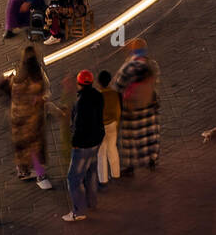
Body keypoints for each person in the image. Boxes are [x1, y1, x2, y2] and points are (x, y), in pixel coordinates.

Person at [6, 46, 54, 189]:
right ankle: (41, 176)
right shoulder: (37, 79)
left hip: (18, 118)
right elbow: (44, 93)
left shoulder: (17, 77)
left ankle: (23, 171)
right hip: (33, 119)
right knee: (35, 148)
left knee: (21, 147)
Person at [113, 38, 160, 176]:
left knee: (129, 139)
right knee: (150, 135)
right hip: (149, 106)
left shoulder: (129, 67)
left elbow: (118, 86)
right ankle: (152, 160)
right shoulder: (152, 65)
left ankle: (130, 167)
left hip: (132, 110)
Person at [64, 70, 104, 221]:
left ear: (79, 83)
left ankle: (78, 211)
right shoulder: (98, 95)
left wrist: (74, 144)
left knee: (73, 178)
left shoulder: (80, 102)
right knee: (91, 172)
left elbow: (78, 126)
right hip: (97, 140)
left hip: (83, 145)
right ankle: (92, 202)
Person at [96, 70, 122, 185]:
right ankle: (116, 174)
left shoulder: (97, 96)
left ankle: (103, 180)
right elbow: (118, 110)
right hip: (112, 124)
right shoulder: (114, 93)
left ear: (98, 82)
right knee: (112, 149)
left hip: (100, 127)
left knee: (101, 153)